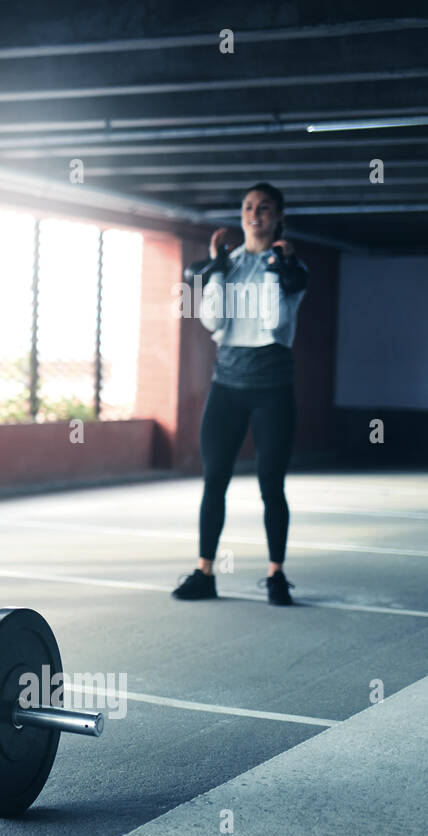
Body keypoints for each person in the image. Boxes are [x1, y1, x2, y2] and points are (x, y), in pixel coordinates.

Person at [173, 182, 307, 606]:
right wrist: (215, 268)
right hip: (227, 386)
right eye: (249, 207)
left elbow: (276, 325)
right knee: (214, 480)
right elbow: (214, 323)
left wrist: (273, 267)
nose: (255, 214)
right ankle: (205, 572)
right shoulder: (226, 264)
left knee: (272, 484)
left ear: (277, 216)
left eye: (264, 208)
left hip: (272, 388)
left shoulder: (290, 266)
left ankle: (276, 576)